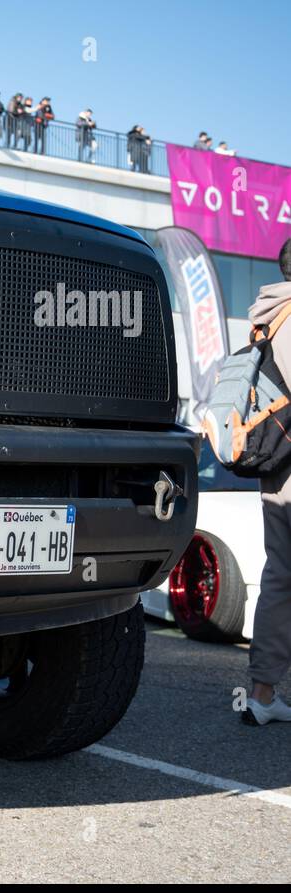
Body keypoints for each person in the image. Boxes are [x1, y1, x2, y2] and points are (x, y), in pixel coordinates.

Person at [243, 238, 291, 725]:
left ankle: (261, 693)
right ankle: (261, 690)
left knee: (281, 576)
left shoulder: (267, 315)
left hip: (277, 463)